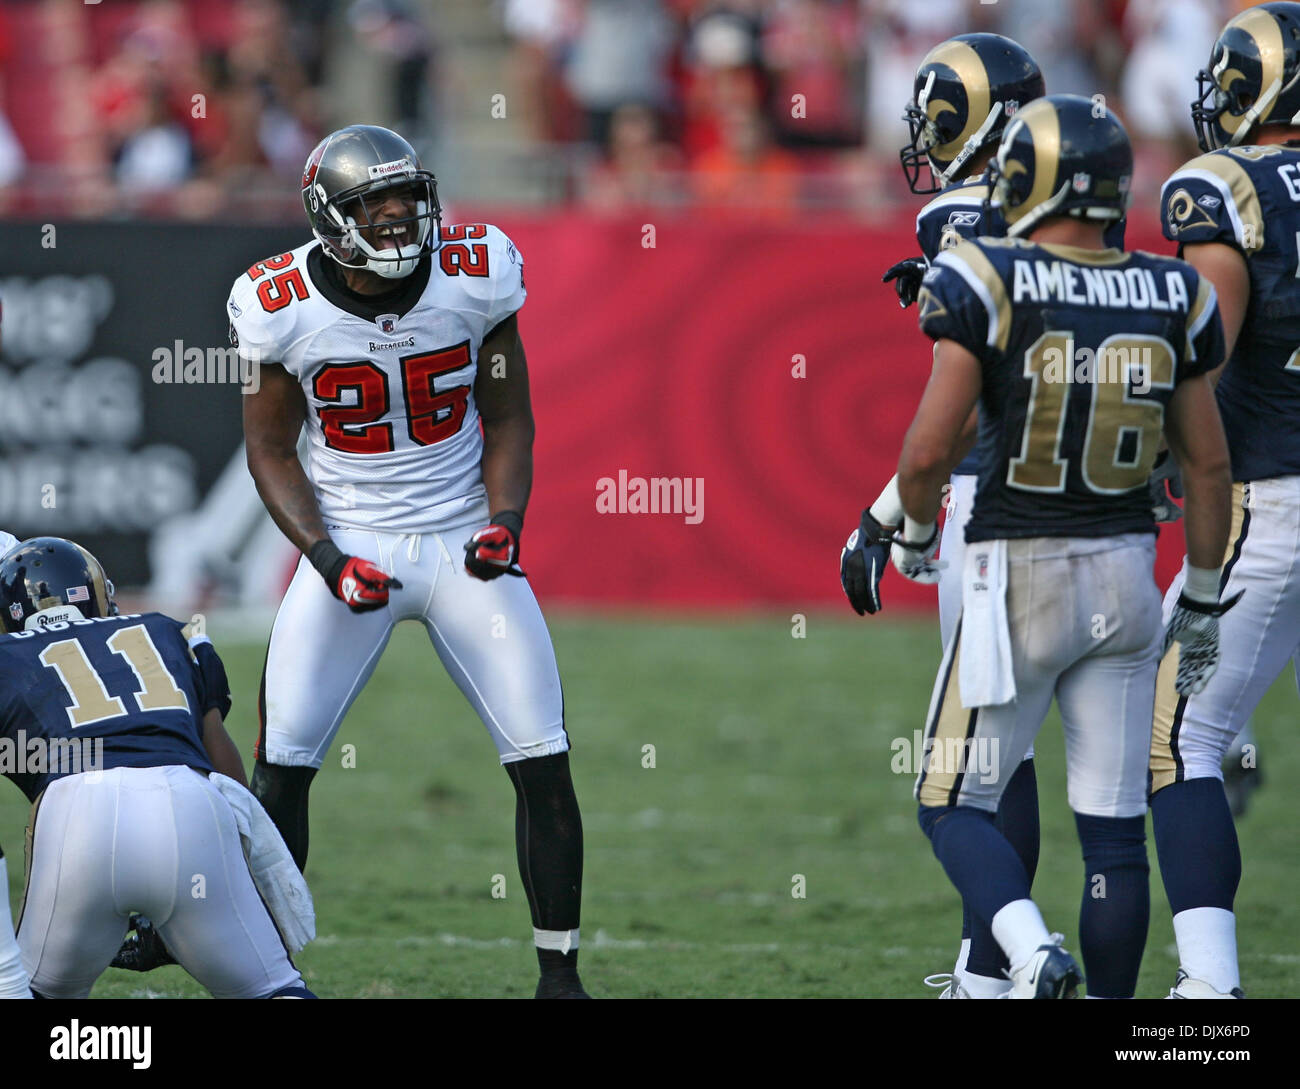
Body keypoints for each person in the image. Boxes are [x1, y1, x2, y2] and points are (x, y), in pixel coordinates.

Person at [234, 124, 588, 998]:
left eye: (406, 202)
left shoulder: (478, 273)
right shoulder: (276, 302)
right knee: (282, 763)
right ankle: (253, 967)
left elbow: (508, 417)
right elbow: (272, 450)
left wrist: (505, 518)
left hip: (464, 538)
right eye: (374, 207)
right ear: (329, 216)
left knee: (542, 752)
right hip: (351, 545)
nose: (398, 220)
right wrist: (323, 558)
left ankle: (561, 972)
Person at [897, 94, 1236, 997]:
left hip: (1022, 572)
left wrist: (919, 529)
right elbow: (1207, 468)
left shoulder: (990, 275)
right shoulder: (1176, 288)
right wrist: (1201, 596)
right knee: (1115, 833)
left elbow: (932, 446)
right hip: (1128, 575)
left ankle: (1030, 950)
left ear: (1030, 180)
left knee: (946, 799)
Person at [841, 32, 1054, 999]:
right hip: (1094, 506)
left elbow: (958, 396)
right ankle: (994, 963)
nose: (927, 139)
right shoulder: (1069, 206)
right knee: (1055, 769)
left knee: (967, 776)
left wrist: (893, 514)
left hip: (989, 503)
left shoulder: (956, 214)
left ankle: (1013, 959)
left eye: (940, 119)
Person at [1149, 0, 1300, 999]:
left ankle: (1209, 996)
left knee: (1172, 737)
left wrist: (1163, 454)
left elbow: (1200, 352)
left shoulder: (1226, 187)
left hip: (1270, 495)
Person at [0, 536, 314, 998]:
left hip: (76, 817)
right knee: (273, 989)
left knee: (37, 993)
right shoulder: (167, 632)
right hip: (190, 802)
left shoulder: (9, 660)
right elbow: (223, 768)